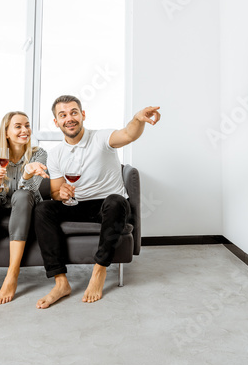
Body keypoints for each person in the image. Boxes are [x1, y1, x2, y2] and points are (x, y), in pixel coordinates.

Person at [34, 95, 161, 308]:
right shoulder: (55, 154)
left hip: (107, 206)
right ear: (56, 122)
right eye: (63, 115)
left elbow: (129, 134)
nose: (69, 118)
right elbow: (55, 192)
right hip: (78, 204)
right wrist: (61, 193)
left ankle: (99, 270)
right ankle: (60, 282)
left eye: (74, 112)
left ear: (82, 115)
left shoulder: (101, 138)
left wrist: (138, 119)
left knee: (117, 201)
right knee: (43, 209)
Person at [0, 111, 48, 304]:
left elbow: (31, 190)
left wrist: (26, 175)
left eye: (27, 125)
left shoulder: (38, 154)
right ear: (6, 132)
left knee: (22, 195)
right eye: (18, 126)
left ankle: (12, 275)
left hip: (26, 205)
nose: (25, 130)